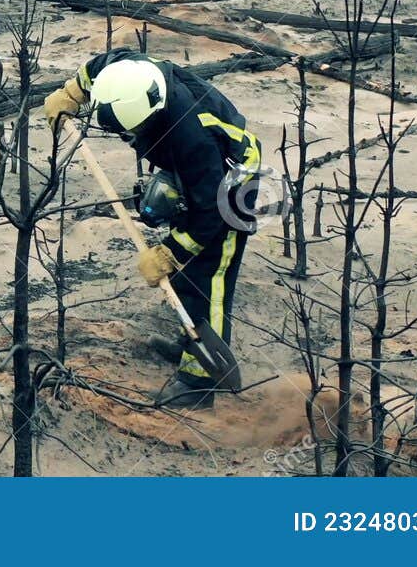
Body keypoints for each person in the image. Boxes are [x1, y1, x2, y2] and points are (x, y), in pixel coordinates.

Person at [43, 49, 261, 408]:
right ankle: (190, 340)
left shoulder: (194, 138)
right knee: (185, 270)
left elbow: (211, 212)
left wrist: (169, 253)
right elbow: (100, 65)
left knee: (210, 273)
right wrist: (71, 93)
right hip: (195, 173)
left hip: (231, 181)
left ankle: (199, 382)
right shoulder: (129, 73)